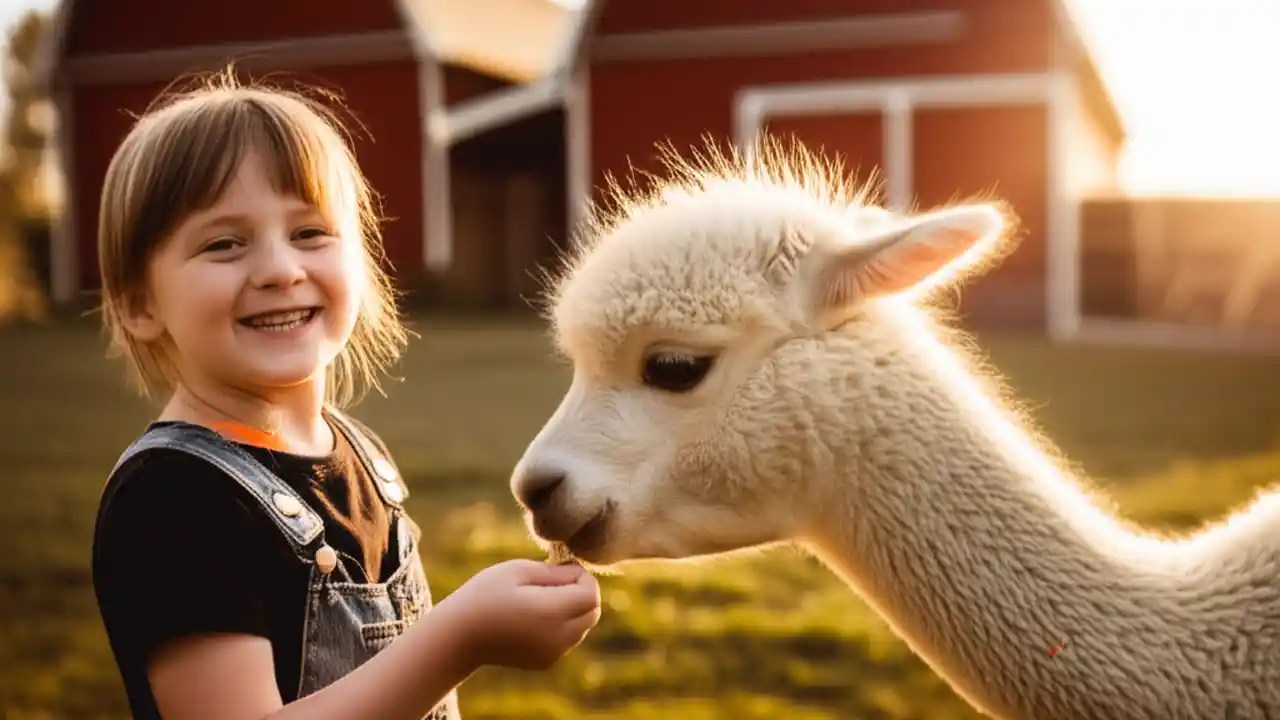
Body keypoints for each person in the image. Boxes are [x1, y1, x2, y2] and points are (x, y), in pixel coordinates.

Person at [90, 71, 601, 720]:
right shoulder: (173, 499)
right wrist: (461, 636)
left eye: (310, 234)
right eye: (224, 244)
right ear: (139, 304)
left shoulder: (360, 454)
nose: (280, 268)